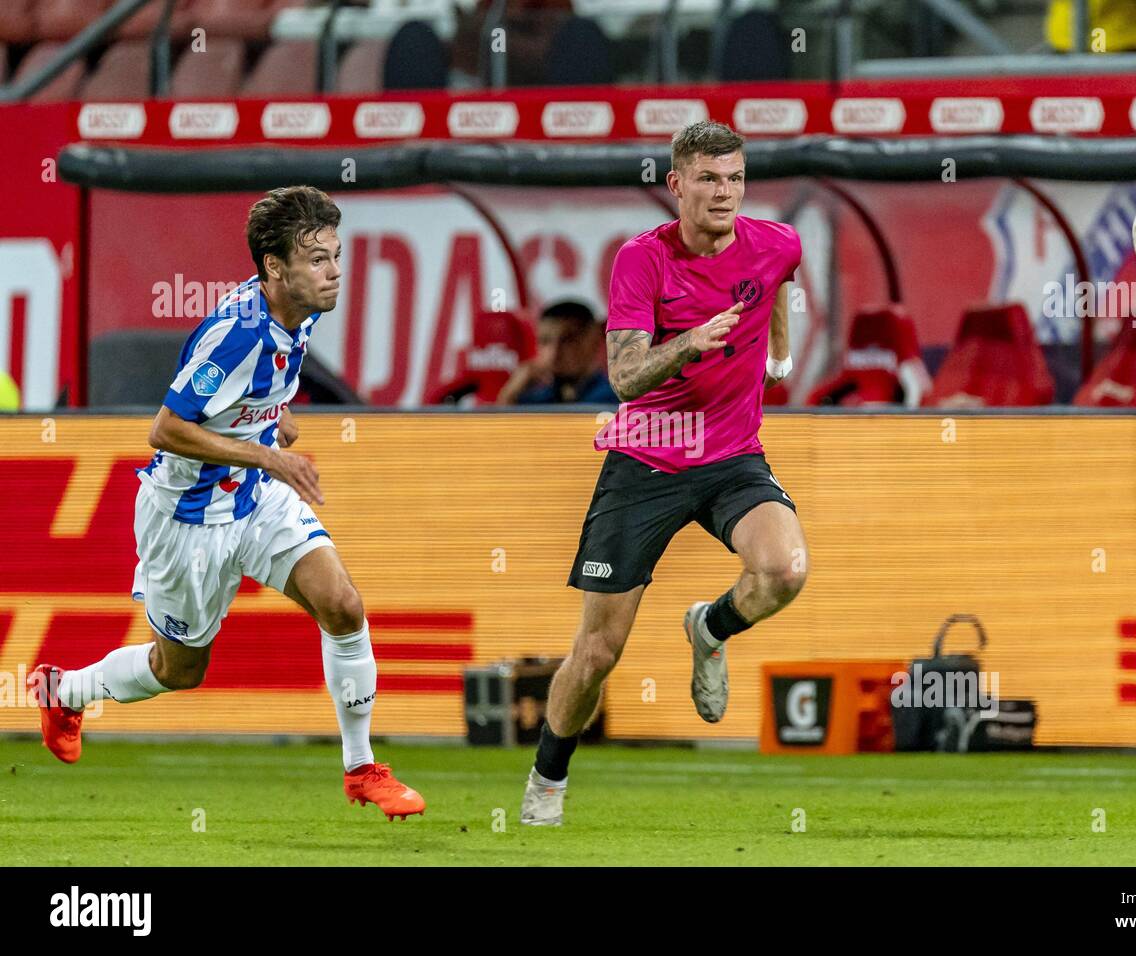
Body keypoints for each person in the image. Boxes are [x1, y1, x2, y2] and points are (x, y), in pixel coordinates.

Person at [27, 186, 425, 822]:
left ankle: (362, 769)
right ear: (275, 267)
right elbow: (165, 429)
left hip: (254, 499)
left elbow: (250, 386)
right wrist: (270, 455)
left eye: (336, 256)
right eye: (318, 259)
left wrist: (272, 413)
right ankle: (65, 690)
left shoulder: (300, 310)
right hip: (189, 517)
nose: (335, 272)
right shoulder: (237, 336)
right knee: (179, 671)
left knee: (343, 606)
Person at [518, 121, 806, 826]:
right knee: (598, 651)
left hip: (732, 455)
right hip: (647, 457)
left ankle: (710, 627)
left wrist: (778, 355)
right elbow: (623, 377)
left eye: (735, 179)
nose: (724, 193)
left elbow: (778, 284)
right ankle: (547, 779)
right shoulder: (642, 260)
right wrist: (689, 344)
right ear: (676, 184)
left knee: (785, 570)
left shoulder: (778, 243)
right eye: (708, 179)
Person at [496, 300, 618, 405]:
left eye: (567, 340)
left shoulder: (614, 399)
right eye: (545, 341)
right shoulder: (536, 399)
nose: (554, 352)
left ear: (594, 341)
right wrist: (511, 393)